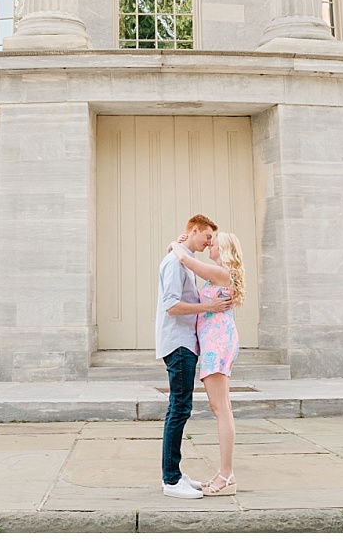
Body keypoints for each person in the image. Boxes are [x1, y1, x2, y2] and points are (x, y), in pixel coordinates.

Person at [155, 212, 230, 499]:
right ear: (194, 230)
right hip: (179, 344)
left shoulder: (181, 258)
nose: (209, 242)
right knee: (179, 409)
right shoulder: (175, 261)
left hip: (185, 343)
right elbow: (172, 306)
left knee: (180, 408)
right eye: (207, 237)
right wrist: (209, 306)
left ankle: (174, 473)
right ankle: (172, 480)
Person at [171, 230, 244, 496]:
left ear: (222, 249)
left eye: (212, 243)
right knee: (221, 407)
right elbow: (186, 261)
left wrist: (174, 245)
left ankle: (227, 474)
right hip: (217, 342)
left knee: (221, 409)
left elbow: (188, 262)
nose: (209, 246)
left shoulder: (222, 273)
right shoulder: (219, 272)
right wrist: (180, 247)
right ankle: (225, 473)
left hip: (218, 343)